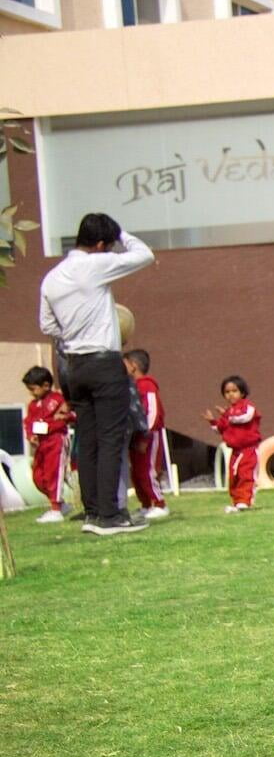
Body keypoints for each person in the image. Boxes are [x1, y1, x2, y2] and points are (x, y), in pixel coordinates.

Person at [39, 213, 154, 535]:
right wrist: (124, 232)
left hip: (73, 365)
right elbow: (144, 255)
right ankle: (110, 515)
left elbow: (47, 325)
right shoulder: (94, 265)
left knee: (87, 438)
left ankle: (91, 512)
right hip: (103, 362)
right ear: (101, 244)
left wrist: (73, 332)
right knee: (110, 438)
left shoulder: (52, 277)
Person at [21, 366, 73, 523]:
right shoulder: (32, 405)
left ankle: (56, 509)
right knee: (38, 476)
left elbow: (71, 415)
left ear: (45, 385)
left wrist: (63, 418)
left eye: (33, 389)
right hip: (42, 444)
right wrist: (30, 435)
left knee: (53, 473)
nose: (31, 393)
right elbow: (29, 422)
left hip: (56, 440)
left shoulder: (57, 400)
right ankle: (60, 505)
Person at [202, 375, 261, 514]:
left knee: (246, 475)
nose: (231, 395)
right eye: (227, 392)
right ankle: (237, 501)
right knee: (234, 477)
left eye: (234, 391)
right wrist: (212, 421)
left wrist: (228, 415)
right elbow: (221, 429)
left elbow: (244, 418)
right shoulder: (228, 412)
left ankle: (245, 501)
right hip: (235, 451)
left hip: (248, 450)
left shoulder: (248, 407)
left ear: (242, 392)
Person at [123, 349, 168, 520]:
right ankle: (146, 504)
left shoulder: (147, 385)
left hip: (148, 436)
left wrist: (145, 435)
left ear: (133, 366)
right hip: (135, 436)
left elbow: (152, 411)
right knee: (136, 472)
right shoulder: (131, 387)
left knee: (147, 471)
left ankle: (159, 503)